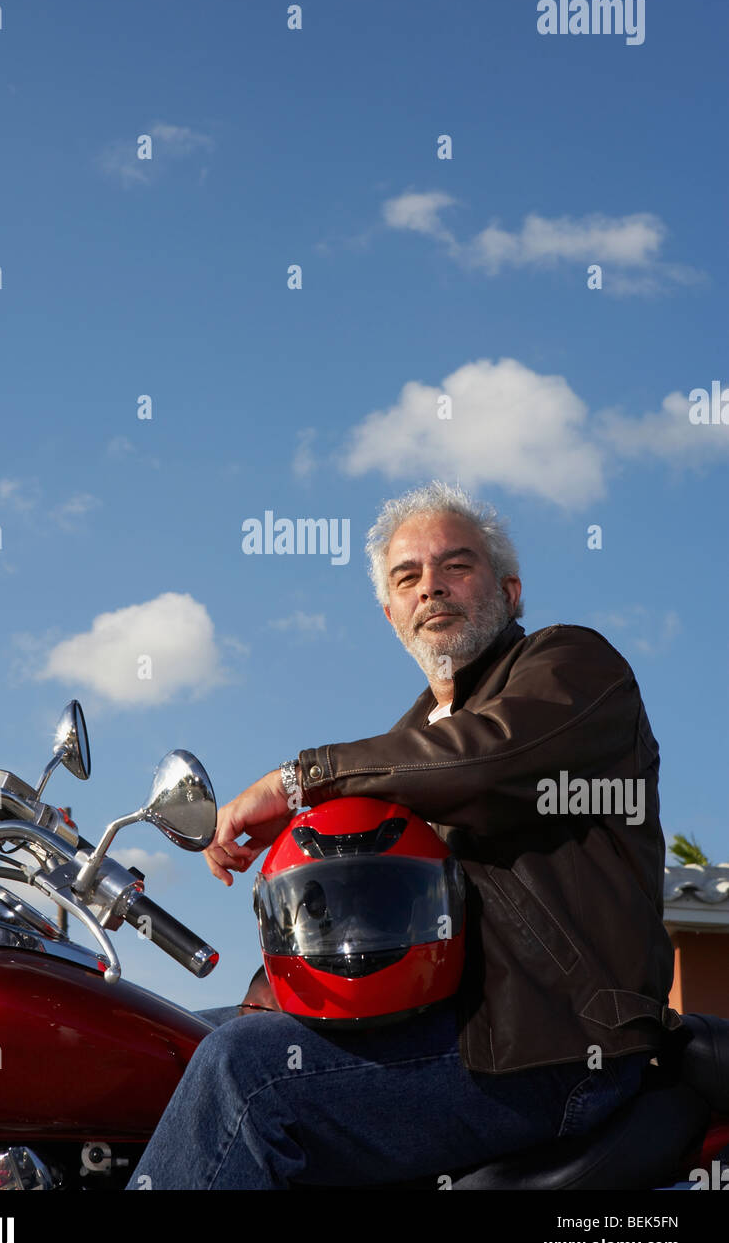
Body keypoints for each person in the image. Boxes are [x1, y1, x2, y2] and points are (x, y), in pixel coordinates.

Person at [126, 482, 677, 1190]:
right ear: (390, 614)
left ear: (509, 591)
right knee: (170, 1041)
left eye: (457, 566)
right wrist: (279, 985)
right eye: (407, 577)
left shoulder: (571, 667)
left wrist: (295, 781)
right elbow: (364, 899)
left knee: (246, 1072)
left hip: (557, 1046)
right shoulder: (408, 741)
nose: (432, 589)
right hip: (443, 1034)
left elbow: (487, 761)